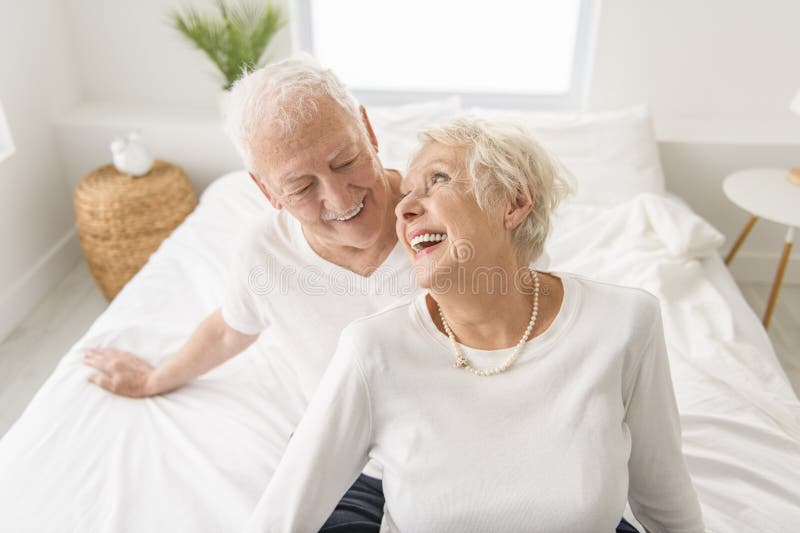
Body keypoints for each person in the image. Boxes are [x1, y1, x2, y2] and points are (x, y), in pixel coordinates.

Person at [244, 116, 706, 532]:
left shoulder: (624, 324)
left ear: (515, 201)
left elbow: (667, 506)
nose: (404, 209)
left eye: (437, 180)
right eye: (406, 194)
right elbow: (280, 519)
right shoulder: (373, 349)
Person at [82, 55, 419, 531]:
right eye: (301, 187)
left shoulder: (443, 216)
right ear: (266, 190)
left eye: (345, 161)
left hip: (448, 443)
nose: (341, 199)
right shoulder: (265, 252)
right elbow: (228, 330)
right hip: (349, 461)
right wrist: (155, 379)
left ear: (367, 129)